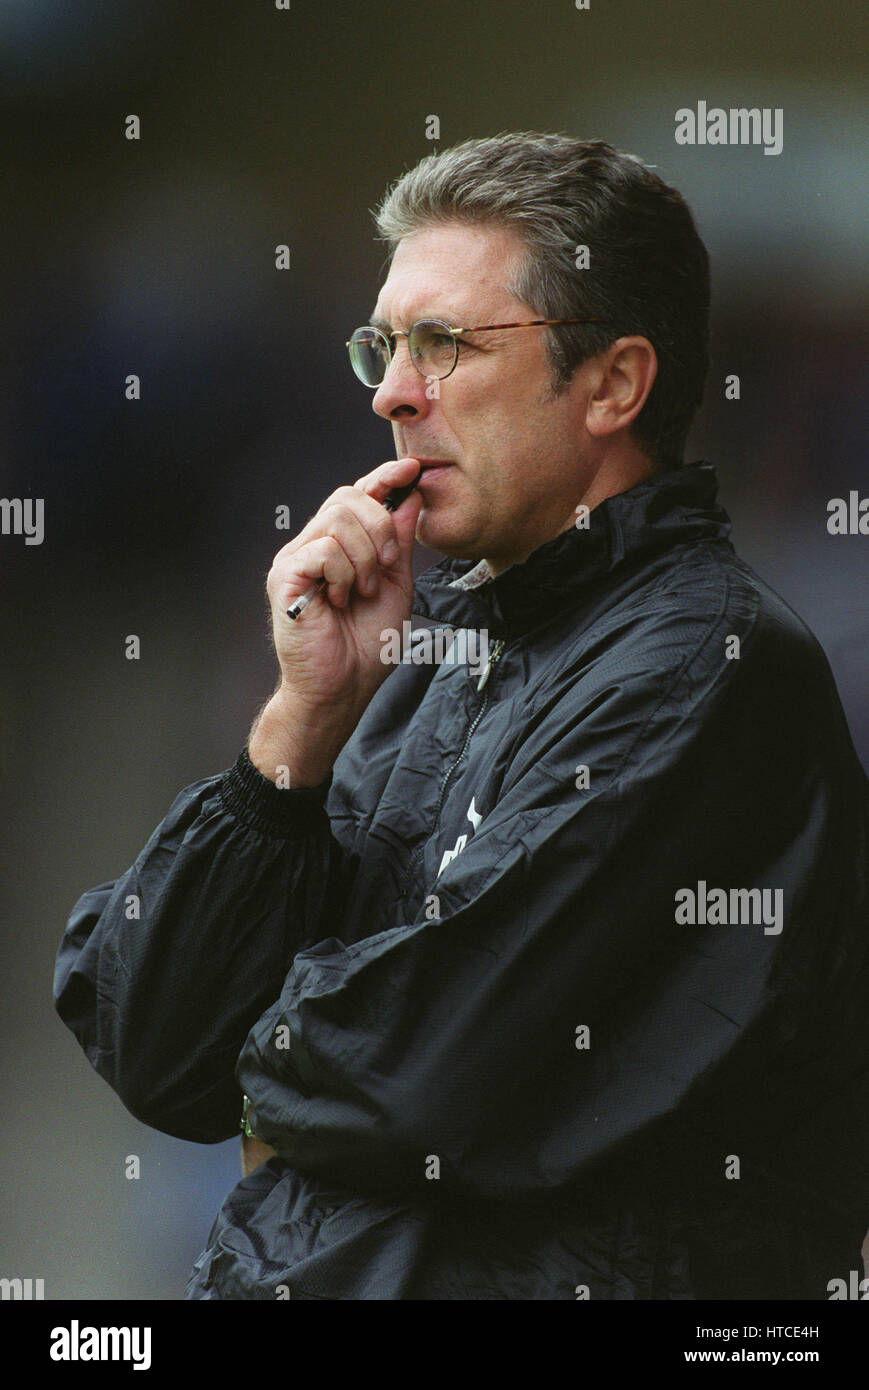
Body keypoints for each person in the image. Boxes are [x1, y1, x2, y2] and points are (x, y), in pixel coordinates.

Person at [54, 133, 869, 1300]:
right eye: (382, 345)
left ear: (611, 385)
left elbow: (417, 1070)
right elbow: (147, 1039)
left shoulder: (707, 665)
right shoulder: (423, 653)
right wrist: (300, 719)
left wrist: (243, 1051)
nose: (390, 390)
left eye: (442, 344)